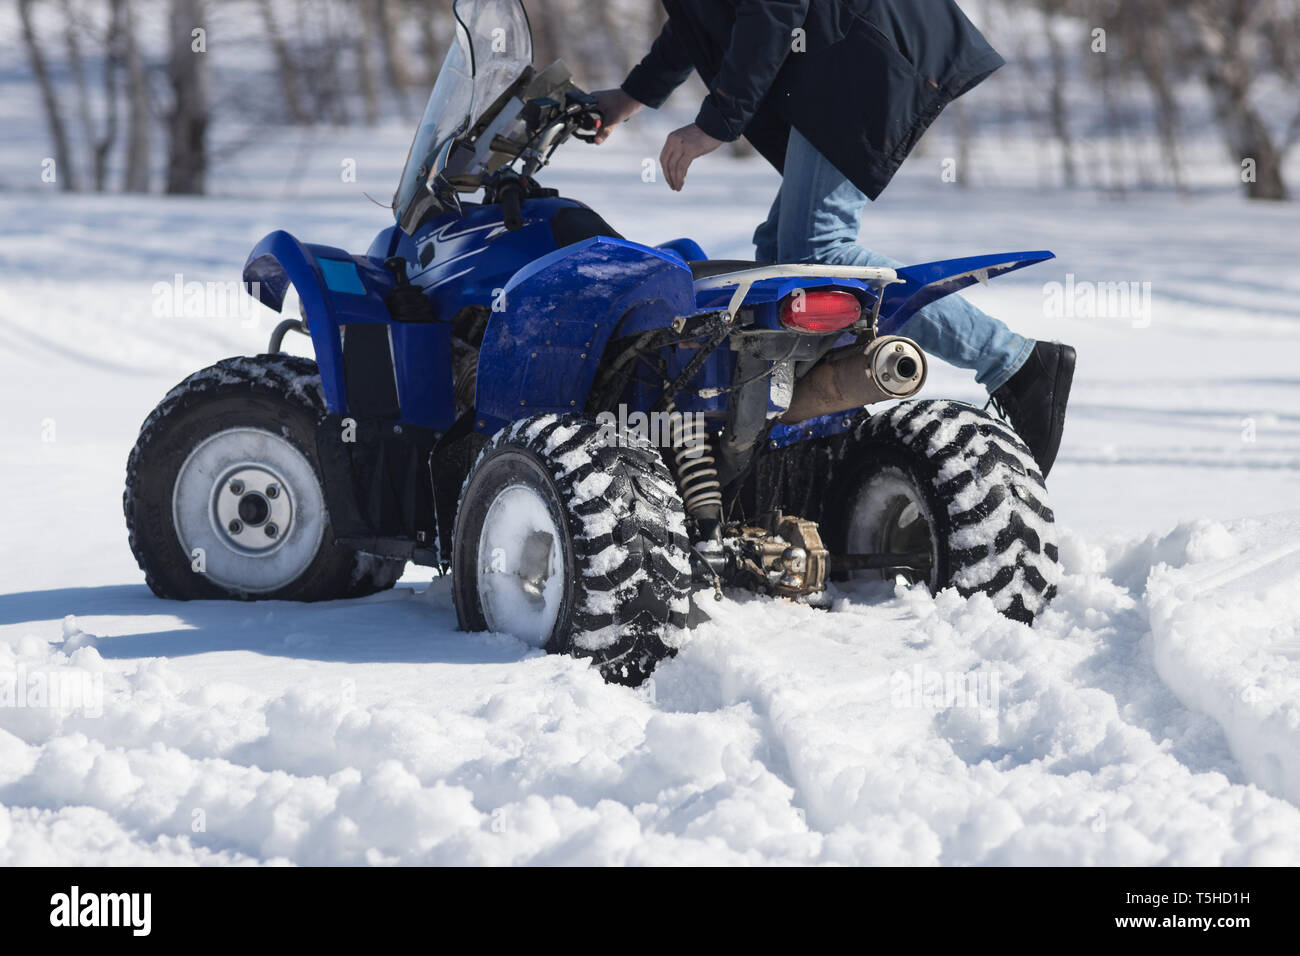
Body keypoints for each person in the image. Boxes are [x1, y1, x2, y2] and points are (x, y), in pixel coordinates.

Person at [591, 0, 1075, 477]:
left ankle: (1014, 361)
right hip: (842, 55)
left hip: (865, 50)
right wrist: (630, 97)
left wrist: (714, 124)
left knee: (819, 251)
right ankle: (810, 436)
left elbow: (771, 11)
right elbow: (700, 16)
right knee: (783, 260)